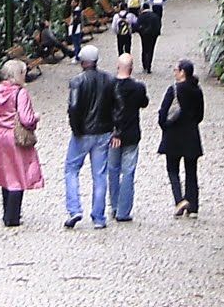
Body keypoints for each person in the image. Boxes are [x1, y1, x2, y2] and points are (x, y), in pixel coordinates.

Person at [0, 58, 44, 227]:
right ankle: (13, 216)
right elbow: (26, 119)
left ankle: (6, 213)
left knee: (5, 174)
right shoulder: (20, 92)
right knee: (18, 174)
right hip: (15, 136)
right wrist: (35, 118)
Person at [63, 43, 116, 229]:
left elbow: (74, 107)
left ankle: (75, 209)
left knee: (71, 169)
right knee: (99, 175)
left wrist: (76, 129)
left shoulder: (77, 81)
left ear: (82, 62)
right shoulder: (109, 79)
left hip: (83, 132)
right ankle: (99, 217)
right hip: (103, 132)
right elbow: (116, 106)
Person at [157, 57, 205, 218]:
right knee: (191, 171)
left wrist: (165, 125)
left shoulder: (174, 90)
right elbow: (200, 115)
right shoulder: (197, 90)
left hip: (173, 136)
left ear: (182, 72)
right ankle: (193, 207)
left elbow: (163, 113)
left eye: (176, 70)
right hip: (191, 135)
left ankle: (179, 200)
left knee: (172, 169)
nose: (174, 72)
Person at [108, 52, 149, 222]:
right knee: (128, 172)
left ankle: (114, 205)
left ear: (118, 66)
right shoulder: (138, 88)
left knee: (113, 170)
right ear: (131, 68)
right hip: (131, 133)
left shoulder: (109, 86)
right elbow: (144, 103)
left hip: (112, 134)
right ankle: (123, 211)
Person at [136, 1, 161, 74]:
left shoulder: (141, 16)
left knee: (144, 49)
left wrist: (141, 32)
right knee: (151, 50)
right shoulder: (154, 15)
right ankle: (149, 66)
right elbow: (158, 25)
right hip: (153, 35)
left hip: (144, 35)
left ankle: (144, 66)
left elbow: (137, 26)